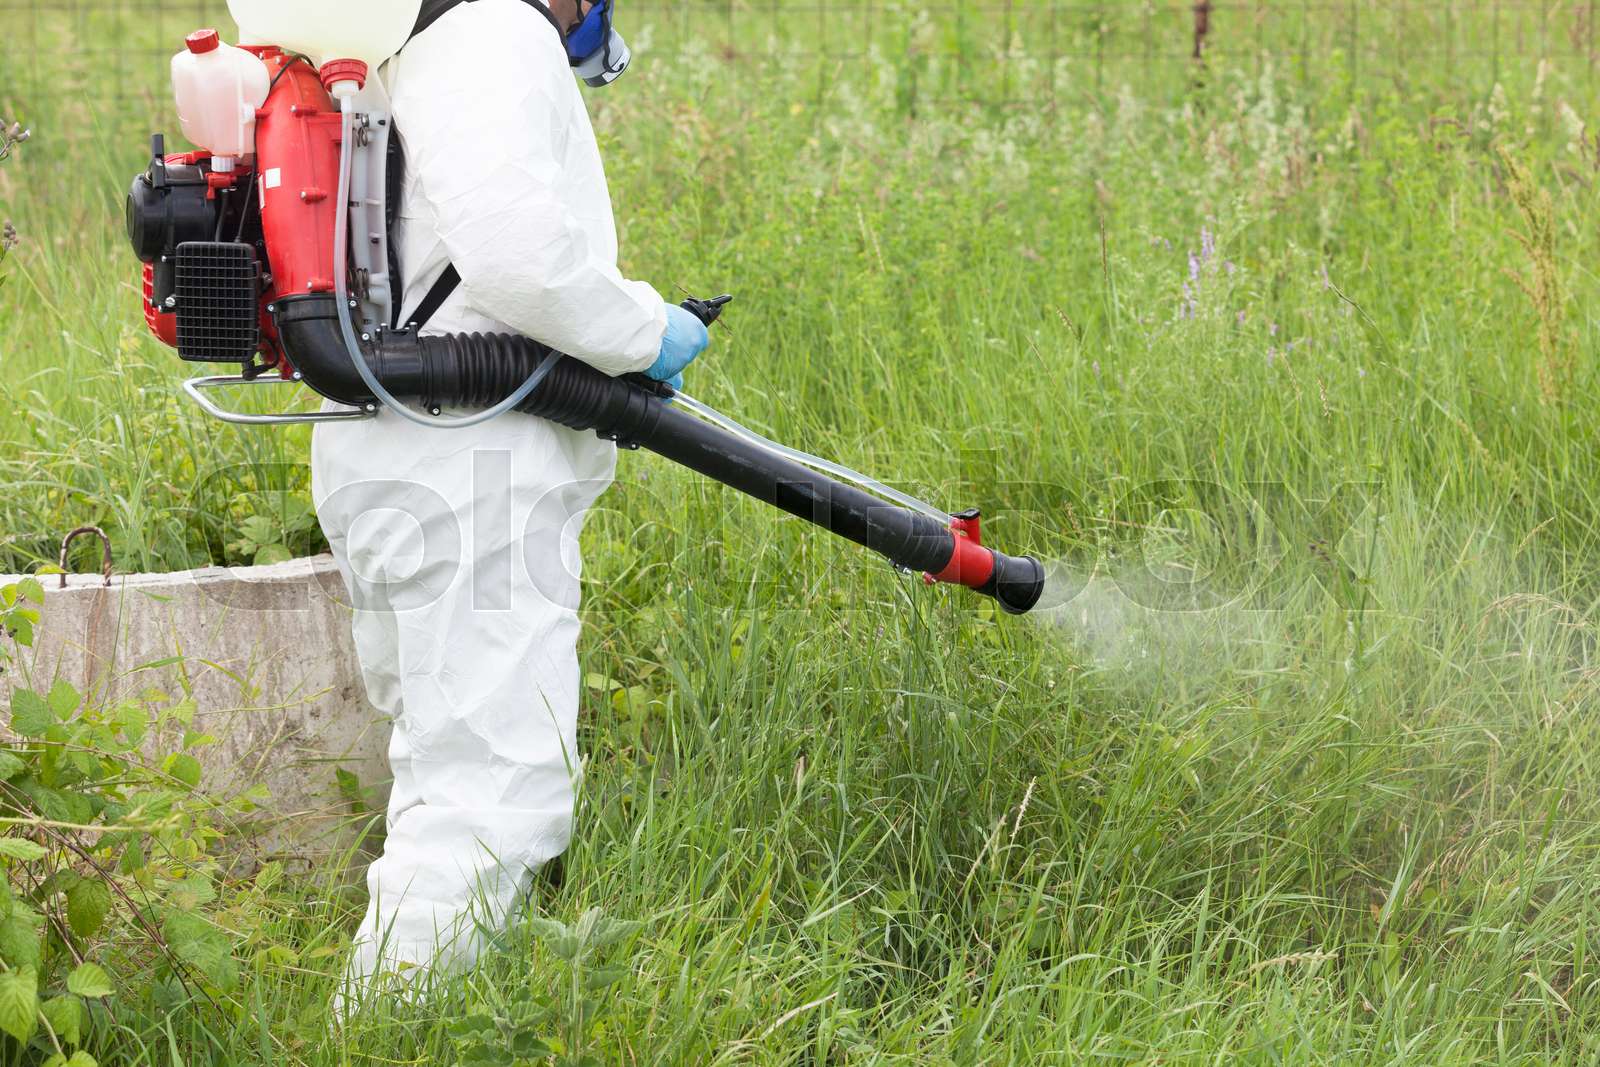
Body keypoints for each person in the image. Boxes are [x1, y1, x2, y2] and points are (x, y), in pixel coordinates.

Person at [307, 0, 710, 997]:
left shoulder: (395, 50)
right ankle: (398, 1029)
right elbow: (520, 260)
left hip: (392, 446)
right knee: (487, 790)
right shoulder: (494, 31)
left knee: (441, 764)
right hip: (469, 456)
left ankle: (439, 996)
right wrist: (643, 328)